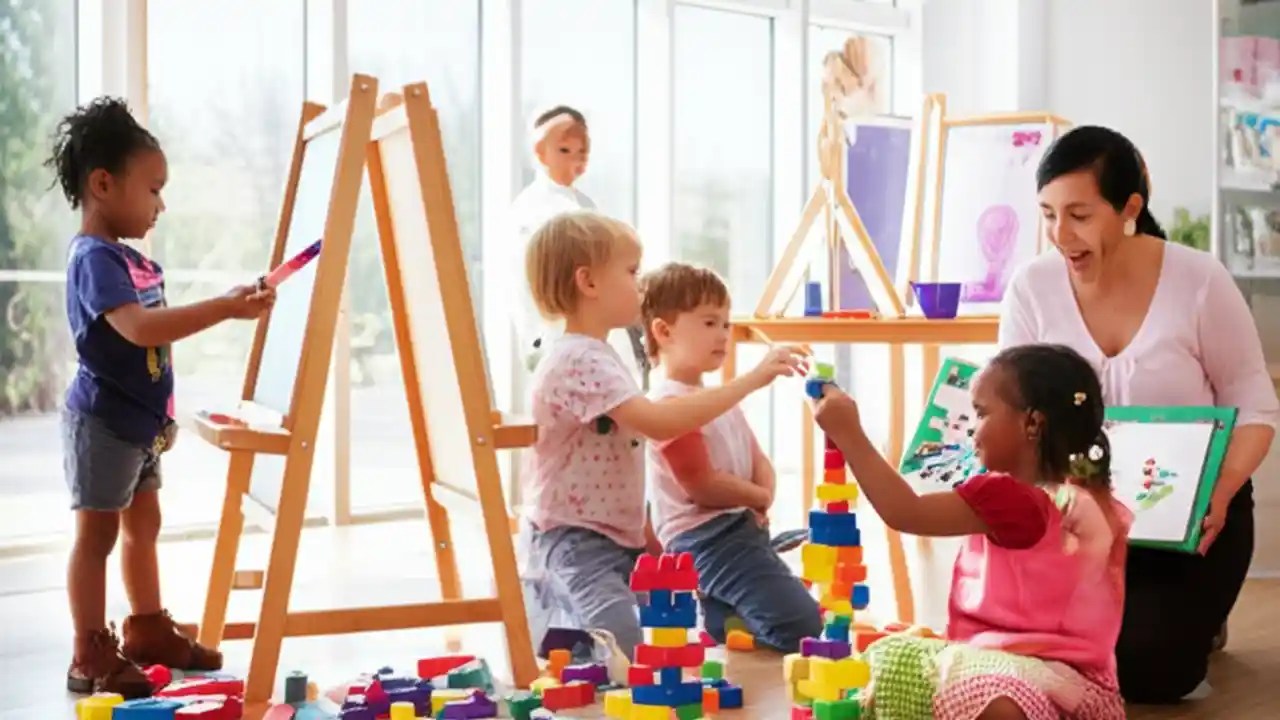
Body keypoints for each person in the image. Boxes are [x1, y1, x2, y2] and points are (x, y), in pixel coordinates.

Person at [1000, 125, 1278, 703]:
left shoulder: (1199, 280)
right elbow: (1010, 411)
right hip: (1079, 520)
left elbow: (1255, 406)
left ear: (1130, 208)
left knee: (1150, 671)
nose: (1059, 235)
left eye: (1079, 215)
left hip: (1189, 520)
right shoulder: (1031, 288)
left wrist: (1221, 493)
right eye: (1048, 214)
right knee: (1022, 645)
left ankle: (1192, 617)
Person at [47, 97, 276, 697]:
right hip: (101, 423)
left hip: (138, 424)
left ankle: (146, 627)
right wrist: (224, 309)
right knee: (95, 537)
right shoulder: (93, 257)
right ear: (103, 183)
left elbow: (153, 342)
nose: (161, 204)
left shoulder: (127, 257)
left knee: (143, 524)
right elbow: (142, 330)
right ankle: (89, 650)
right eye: (152, 189)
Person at [517, 211, 805, 660]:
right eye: (630, 272)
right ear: (589, 282)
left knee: (659, 638)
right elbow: (660, 423)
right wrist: (751, 380)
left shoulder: (600, 355)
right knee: (623, 651)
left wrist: (647, 538)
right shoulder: (578, 358)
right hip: (573, 536)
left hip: (613, 536)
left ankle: (563, 629)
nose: (639, 284)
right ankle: (548, 615)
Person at [812, 344, 1130, 719]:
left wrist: (849, 432)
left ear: (1032, 424)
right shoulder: (1091, 497)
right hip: (1089, 689)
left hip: (1022, 679)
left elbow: (905, 511)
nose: (971, 430)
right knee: (898, 653)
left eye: (981, 414)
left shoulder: (1012, 499)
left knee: (923, 669)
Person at [640, 262, 822, 652]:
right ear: (664, 331)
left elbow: (758, 459)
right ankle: (743, 634)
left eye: (725, 324)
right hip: (706, 538)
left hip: (738, 527)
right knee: (802, 624)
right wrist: (757, 497)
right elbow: (701, 484)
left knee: (763, 615)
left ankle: (728, 626)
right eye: (709, 323)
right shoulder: (668, 403)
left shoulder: (717, 400)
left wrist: (763, 493)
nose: (723, 334)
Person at [508, 105, 648, 385]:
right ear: (540, 151)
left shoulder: (584, 205)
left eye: (581, 153)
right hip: (554, 329)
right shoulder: (534, 210)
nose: (574, 160)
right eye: (564, 151)